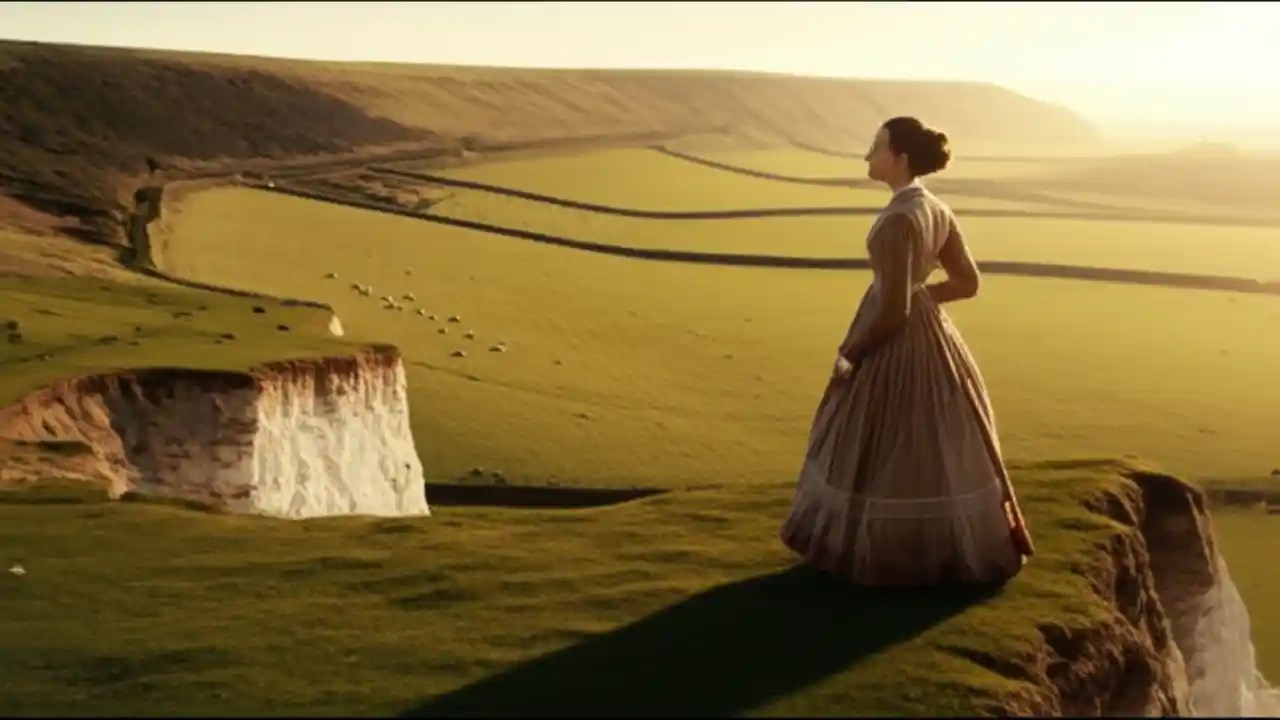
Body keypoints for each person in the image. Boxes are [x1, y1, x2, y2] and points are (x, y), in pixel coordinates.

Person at [779, 116, 1033, 587]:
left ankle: (884, 556)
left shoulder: (899, 219)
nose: (868, 156)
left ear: (899, 158)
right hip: (933, 338)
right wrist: (924, 298)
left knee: (875, 440)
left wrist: (851, 354)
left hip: (893, 341)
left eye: (876, 147)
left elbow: (893, 311)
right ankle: (939, 545)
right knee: (928, 442)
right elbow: (967, 284)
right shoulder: (936, 209)